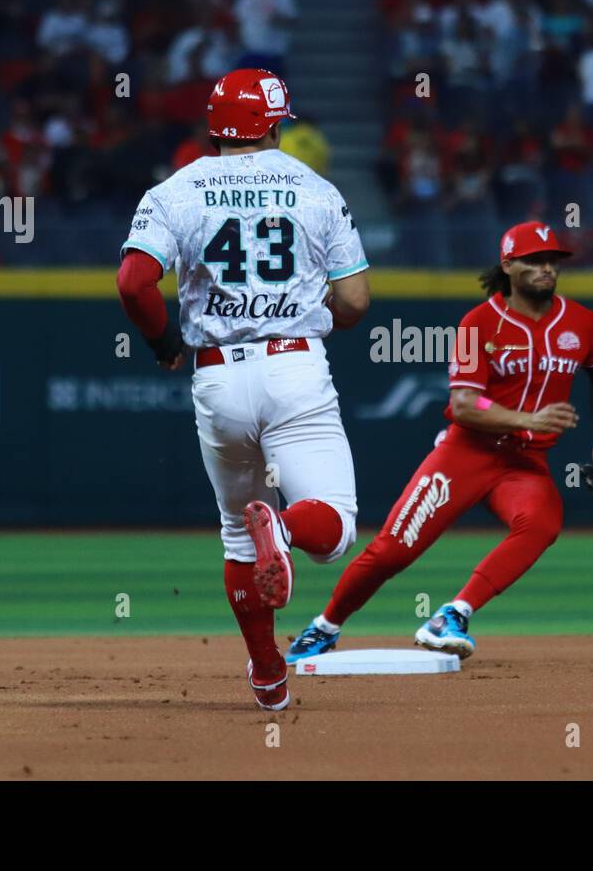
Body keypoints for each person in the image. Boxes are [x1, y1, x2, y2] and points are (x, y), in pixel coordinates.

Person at [115, 69, 371, 710]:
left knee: (236, 536)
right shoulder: (315, 189)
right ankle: (283, 530)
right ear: (277, 123)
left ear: (214, 123)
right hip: (294, 365)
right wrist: (318, 314)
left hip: (216, 374)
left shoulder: (177, 189)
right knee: (335, 529)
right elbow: (356, 300)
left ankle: (266, 672)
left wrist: (162, 345)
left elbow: (132, 283)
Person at [285, 221, 593, 663]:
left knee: (542, 524)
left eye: (553, 260)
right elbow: (465, 404)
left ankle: (452, 615)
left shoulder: (583, 323)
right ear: (508, 265)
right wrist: (530, 418)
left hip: (524, 464)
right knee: (391, 552)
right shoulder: (478, 323)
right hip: (465, 454)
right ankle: (324, 627)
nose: (547, 268)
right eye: (534, 260)